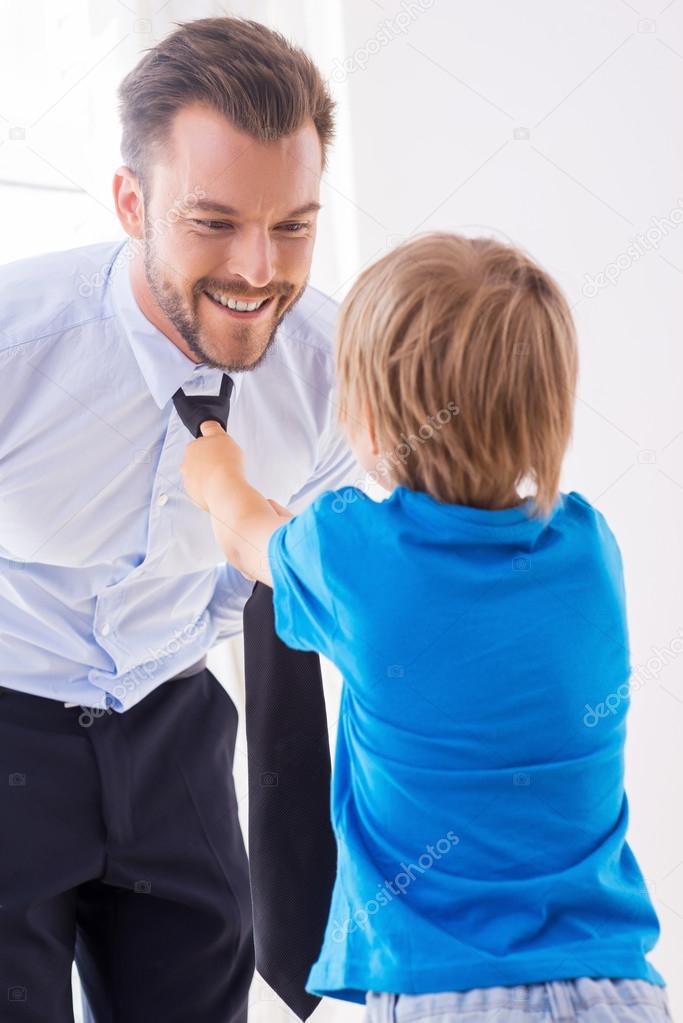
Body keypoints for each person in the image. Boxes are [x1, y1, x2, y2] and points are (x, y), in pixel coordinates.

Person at [181, 231, 673, 1023]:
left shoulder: (352, 551)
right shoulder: (589, 549)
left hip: (451, 995)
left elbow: (244, 535)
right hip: (617, 986)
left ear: (370, 423)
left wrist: (215, 464)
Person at [0, 16, 362, 1022]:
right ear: (132, 203)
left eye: (291, 223)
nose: (258, 269)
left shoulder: (334, 372)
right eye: (213, 222)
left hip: (175, 723)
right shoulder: (16, 348)